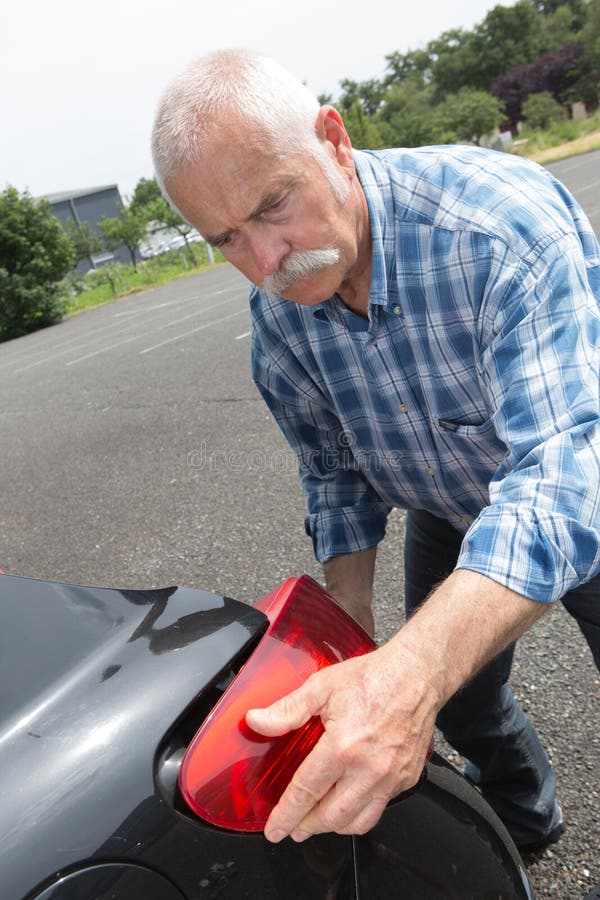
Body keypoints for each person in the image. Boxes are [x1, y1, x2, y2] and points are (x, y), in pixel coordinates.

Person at [152, 48, 600, 850]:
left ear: (333, 138)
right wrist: (347, 626)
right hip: (450, 505)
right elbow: (332, 471)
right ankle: (529, 824)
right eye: (225, 239)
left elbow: (560, 480)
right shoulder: (279, 318)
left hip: (577, 475)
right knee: (463, 698)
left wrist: (409, 673)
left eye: (273, 206)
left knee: (426, 673)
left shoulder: (497, 230)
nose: (266, 263)